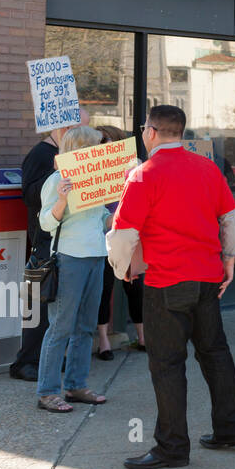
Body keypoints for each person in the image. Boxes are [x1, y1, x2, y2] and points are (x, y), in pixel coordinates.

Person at [110, 105, 235, 469]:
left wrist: (123, 268)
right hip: (206, 276)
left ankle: (172, 448)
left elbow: (124, 233)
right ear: (181, 133)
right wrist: (230, 261)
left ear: (151, 132)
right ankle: (230, 429)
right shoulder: (207, 168)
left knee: (167, 366)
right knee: (215, 353)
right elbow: (229, 217)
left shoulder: (143, 175)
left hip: (166, 281)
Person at [34, 125, 112, 413]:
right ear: (81, 147)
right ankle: (48, 392)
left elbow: (101, 216)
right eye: (96, 145)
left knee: (85, 326)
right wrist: (63, 200)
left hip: (95, 254)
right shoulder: (57, 179)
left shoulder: (95, 177)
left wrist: (114, 218)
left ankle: (76, 386)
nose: (101, 149)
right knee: (61, 327)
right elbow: (45, 223)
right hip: (69, 257)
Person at [11, 108, 89, 382]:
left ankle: (48, 358)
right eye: (79, 129)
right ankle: (26, 361)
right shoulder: (41, 155)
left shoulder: (73, 157)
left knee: (59, 307)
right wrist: (57, 181)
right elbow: (29, 195)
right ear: (63, 130)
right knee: (40, 302)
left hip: (69, 241)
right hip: (46, 240)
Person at [95, 124, 143, 359]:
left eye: (104, 140)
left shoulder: (134, 164)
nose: (101, 145)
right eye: (98, 141)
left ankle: (142, 337)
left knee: (135, 286)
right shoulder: (93, 166)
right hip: (102, 232)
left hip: (128, 231)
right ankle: (103, 340)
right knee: (104, 288)